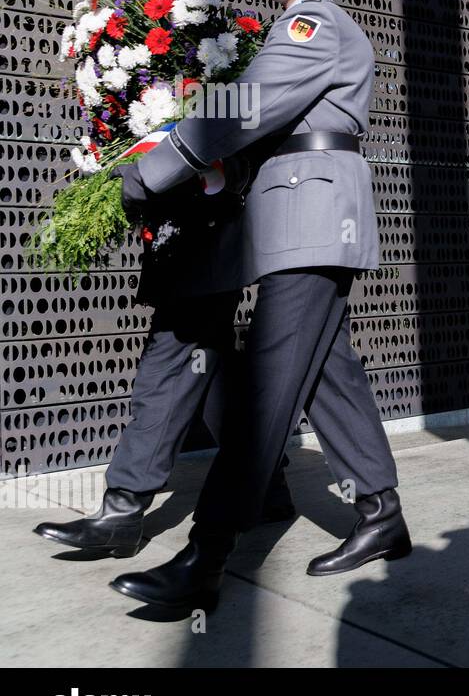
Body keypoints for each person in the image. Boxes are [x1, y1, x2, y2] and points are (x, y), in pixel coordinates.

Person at [108, 0, 409, 612]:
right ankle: (381, 512)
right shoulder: (302, 27)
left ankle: (205, 557)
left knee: (265, 393)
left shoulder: (312, 26)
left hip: (310, 220)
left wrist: (158, 166)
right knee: (328, 371)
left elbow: (246, 105)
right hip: (302, 220)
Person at [32, 159, 294, 558]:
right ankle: (266, 486)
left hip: (204, 249)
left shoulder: (221, 103)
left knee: (164, 374)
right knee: (213, 379)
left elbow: (223, 163)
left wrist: (148, 173)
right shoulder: (207, 102)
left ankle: (123, 509)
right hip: (198, 250)